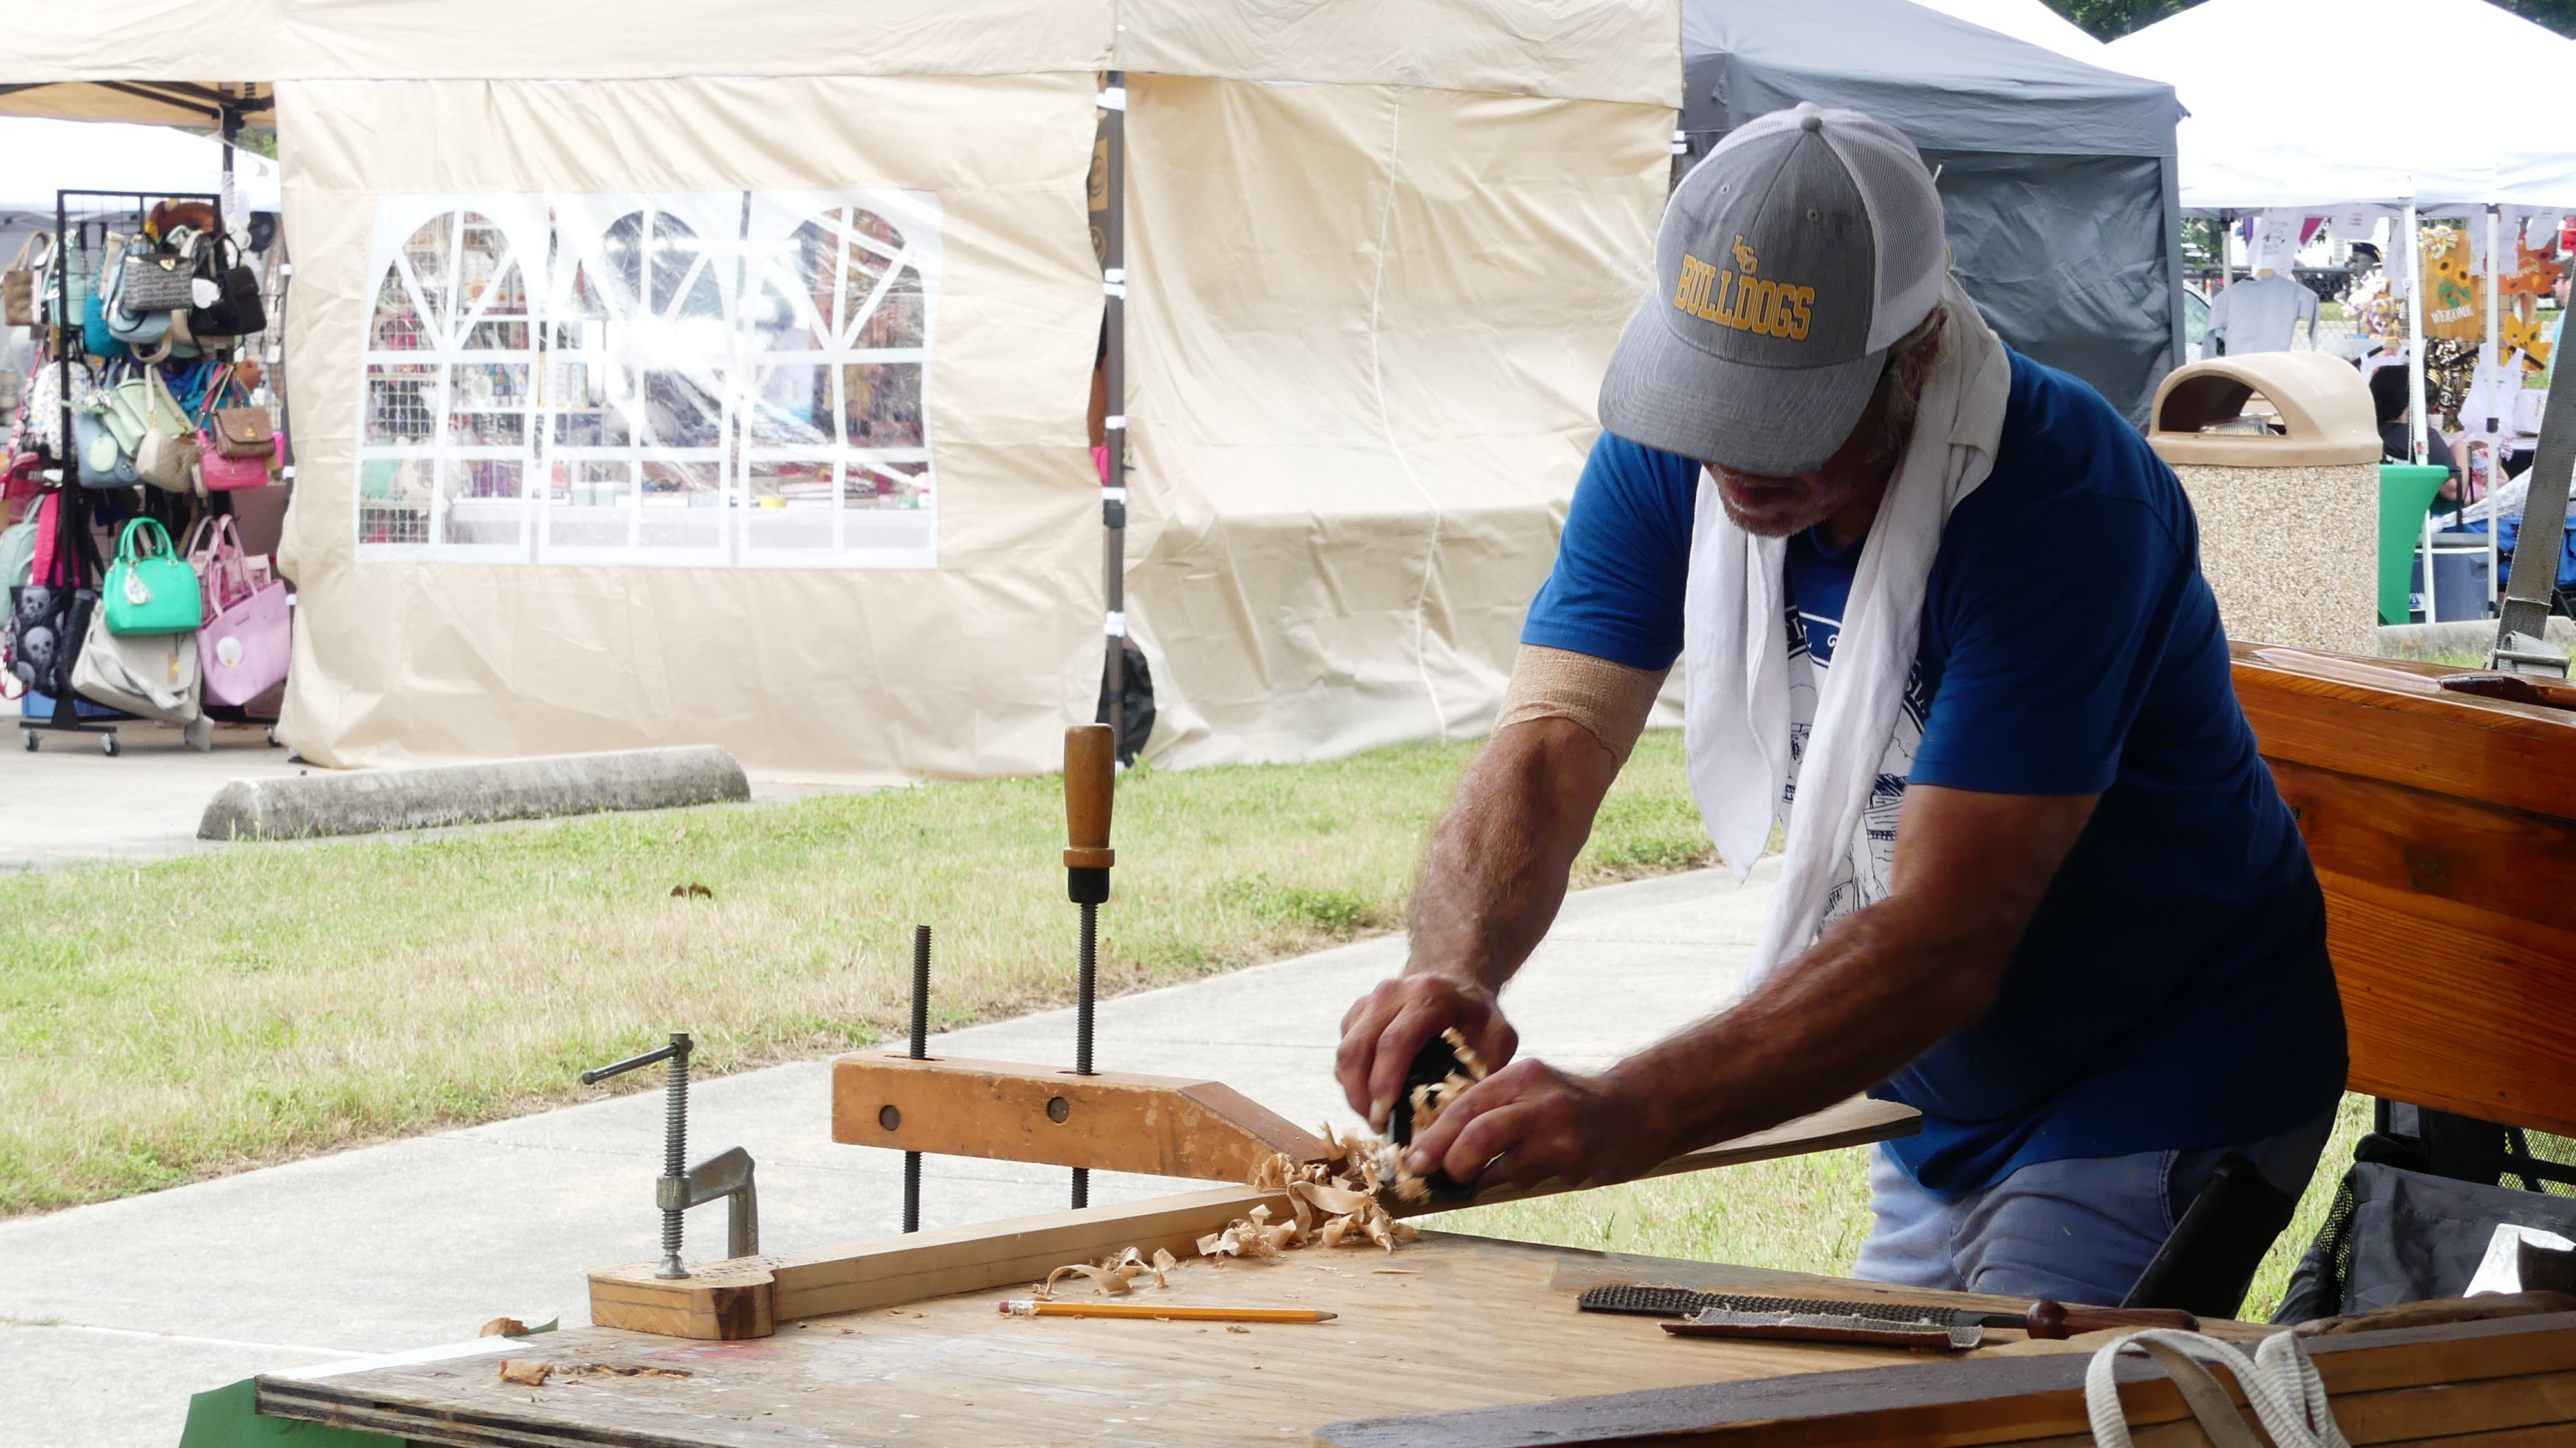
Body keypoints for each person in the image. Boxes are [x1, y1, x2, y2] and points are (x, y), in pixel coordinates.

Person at [1334, 104, 2346, 1308]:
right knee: (1892, 1408)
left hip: (2163, 1058)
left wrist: (1634, 1111)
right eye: (1718, 413)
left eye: (1789, 421)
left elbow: (1945, 939)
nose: (1739, 465)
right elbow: (1551, 744)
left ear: (1917, 351)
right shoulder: (1678, 440)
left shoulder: (2062, 507)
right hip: (1930, 1080)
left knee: (2019, 1418)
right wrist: (1456, 965)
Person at [2369, 364, 2463, 500]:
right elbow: (2453, 490)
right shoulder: (2421, 437)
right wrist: (2460, 448)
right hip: (2421, 517)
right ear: (2409, 399)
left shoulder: (2362, 436)